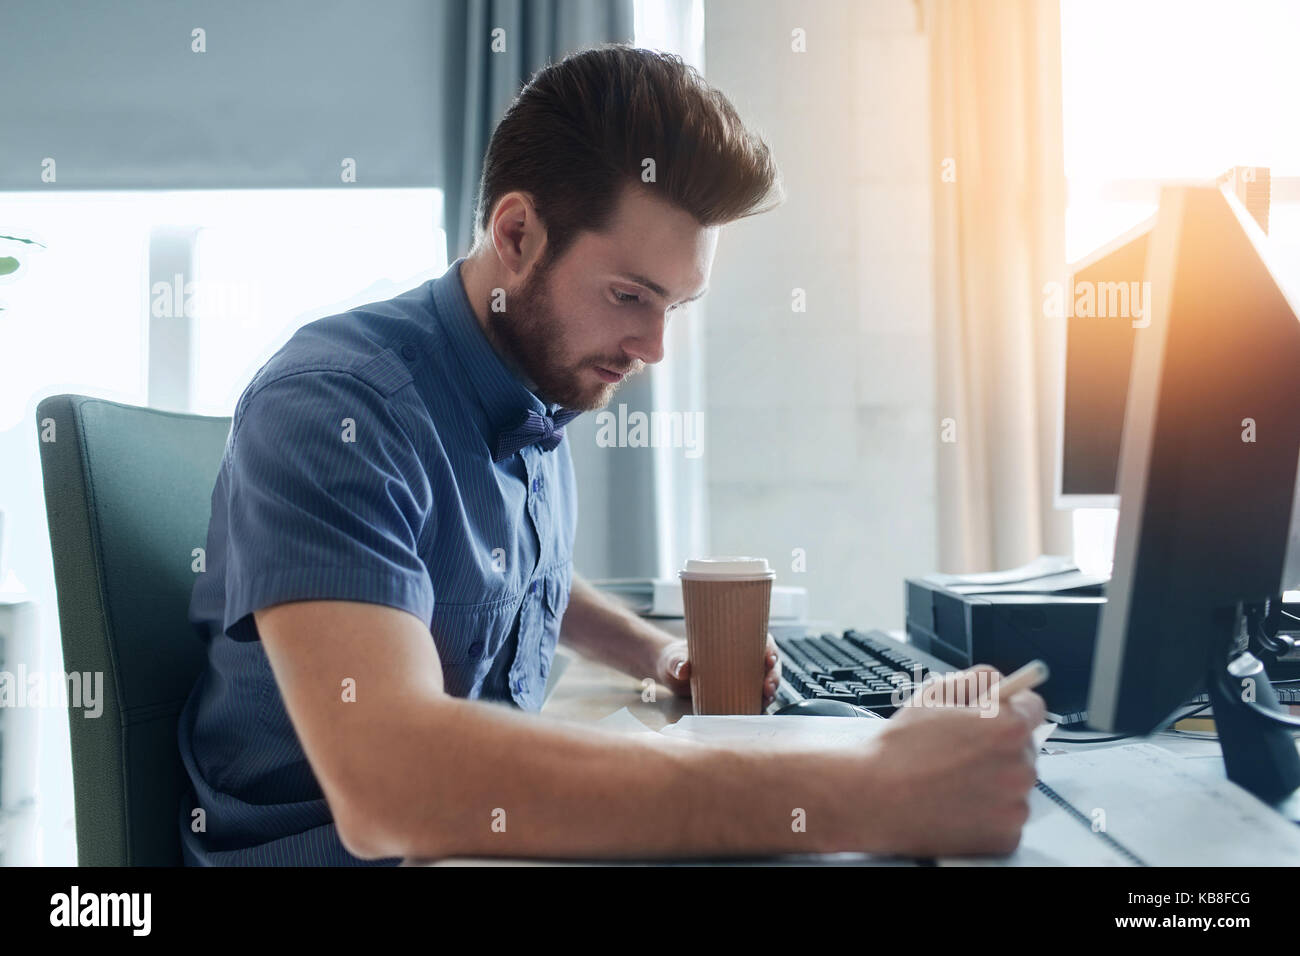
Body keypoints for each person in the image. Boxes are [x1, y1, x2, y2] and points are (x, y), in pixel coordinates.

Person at [177, 43, 1043, 865]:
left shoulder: (525, 381)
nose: (653, 347)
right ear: (515, 234)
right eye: (630, 294)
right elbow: (388, 786)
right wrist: (866, 787)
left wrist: (657, 654)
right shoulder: (338, 409)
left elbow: (504, 578)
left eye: (677, 306)